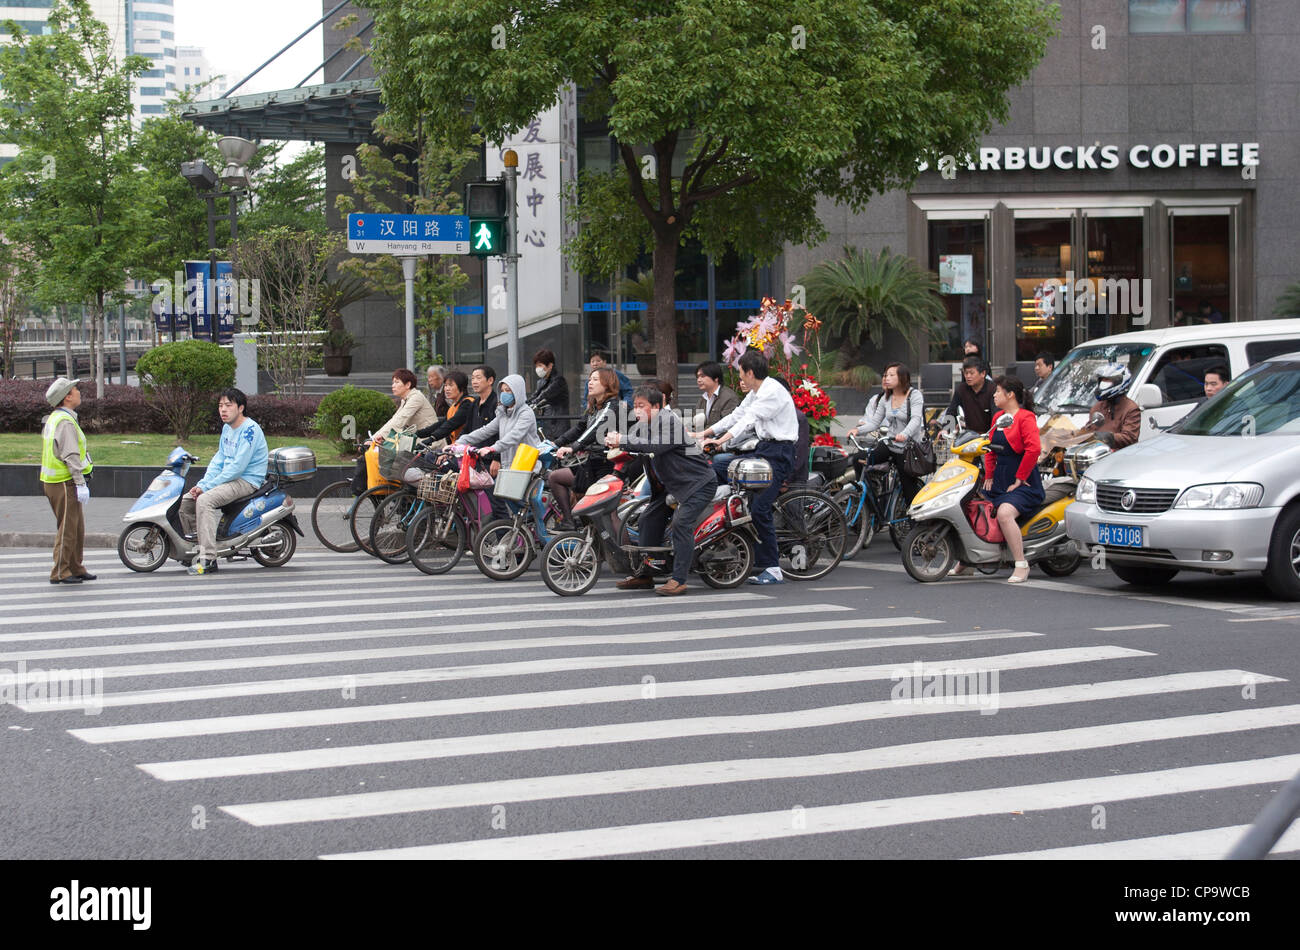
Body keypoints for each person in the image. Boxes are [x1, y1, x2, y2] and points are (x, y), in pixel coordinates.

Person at [698, 350, 800, 585]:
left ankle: (773, 568)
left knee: (760, 508)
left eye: (741, 373)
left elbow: (748, 420)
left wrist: (720, 441)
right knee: (722, 466)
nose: (739, 378)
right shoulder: (757, 391)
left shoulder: (772, 392)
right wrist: (704, 434)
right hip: (764, 449)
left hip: (779, 454)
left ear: (750, 372)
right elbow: (737, 415)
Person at [605, 385, 716, 596]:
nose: (636, 411)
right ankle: (646, 574)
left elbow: (654, 446)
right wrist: (615, 450)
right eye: (635, 406)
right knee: (647, 519)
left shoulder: (670, 422)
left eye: (641, 406)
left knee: (681, 524)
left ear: (657, 406)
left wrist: (623, 440)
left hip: (697, 484)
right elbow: (631, 449)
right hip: (670, 487)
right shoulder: (642, 425)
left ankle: (679, 579)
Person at [180, 388, 269, 576]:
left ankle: (208, 559)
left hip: (246, 480)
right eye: (220, 405)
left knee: (205, 501)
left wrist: (207, 488)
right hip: (230, 478)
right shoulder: (227, 428)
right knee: (188, 500)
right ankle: (198, 547)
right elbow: (219, 459)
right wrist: (203, 484)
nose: (223, 410)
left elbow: (238, 467)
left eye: (228, 405)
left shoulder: (249, 430)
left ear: (241, 408)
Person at [980, 375, 1044, 584]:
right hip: (999, 477)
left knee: (1005, 514)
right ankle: (968, 561)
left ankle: (1021, 564)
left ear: (1010, 395)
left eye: (998, 391)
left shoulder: (1026, 417)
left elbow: (1034, 449)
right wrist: (989, 474)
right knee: (973, 506)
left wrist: (1019, 478)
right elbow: (989, 449)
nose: (995, 394)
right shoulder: (998, 417)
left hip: (1024, 481)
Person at [455, 373, 540, 517]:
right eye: (503, 391)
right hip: (510, 466)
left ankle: (533, 527)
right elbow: (486, 430)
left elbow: (514, 436)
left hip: (526, 465)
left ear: (518, 392)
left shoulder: (526, 413)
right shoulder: (503, 413)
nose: (504, 394)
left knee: (519, 504)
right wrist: (460, 441)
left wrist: (493, 448)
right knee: (507, 500)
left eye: (509, 391)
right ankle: (523, 533)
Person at [548, 367, 621, 528]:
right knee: (555, 477)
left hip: (607, 466)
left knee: (610, 514)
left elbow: (595, 429)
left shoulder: (612, 406)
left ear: (607, 383)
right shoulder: (595, 406)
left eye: (595, 379)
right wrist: (556, 443)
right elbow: (580, 428)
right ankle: (569, 522)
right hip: (592, 463)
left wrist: (573, 448)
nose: (590, 382)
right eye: (590, 379)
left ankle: (625, 552)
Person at [40, 377, 95, 585]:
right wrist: (80, 483)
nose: (79, 391)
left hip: (60, 482)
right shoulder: (64, 422)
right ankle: (60, 571)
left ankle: (76, 567)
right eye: (75, 389)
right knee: (67, 529)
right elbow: (71, 455)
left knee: (77, 527)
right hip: (63, 483)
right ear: (68, 397)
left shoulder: (60, 418)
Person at [846, 362, 925, 501]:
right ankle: (870, 502)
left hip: (907, 449)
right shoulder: (885, 398)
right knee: (859, 459)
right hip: (889, 445)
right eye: (885, 375)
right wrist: (857, 430)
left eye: (891, 375)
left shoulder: (914, 395)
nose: (886, 378)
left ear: (902, 377)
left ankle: (914, 522)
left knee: (909, 492)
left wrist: (904, 434)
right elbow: (875, 423)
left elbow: (916, 420)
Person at [405, 371, 476, 484]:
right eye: (446, 385)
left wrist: (431, 439)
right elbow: (440, 424)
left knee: (434, 460)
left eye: (451, 385)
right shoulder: (454, 405)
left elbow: (450, 425)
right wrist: (418, 434)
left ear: (461, 387)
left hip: (466, 452)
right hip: (455, 449)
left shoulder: (467, 404)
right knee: (427, 456)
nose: (446, 389)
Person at [1076, 362, 1141, 449]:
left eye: (1108, 380)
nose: (1104, 383)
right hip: (1098, 455)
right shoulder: (1097, 407)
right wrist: (1074, 435)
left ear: (1119, 381)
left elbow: (1129, 438)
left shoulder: (1131, 408)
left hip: (1120, 456)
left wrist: (1104, 437)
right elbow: (1089, 430)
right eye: (1102, 380)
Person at [370, 369, 437, 446]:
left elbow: (400, 420)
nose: (393, 385)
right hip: (419, 441)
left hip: (431, 443)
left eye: (397, 382)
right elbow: (394, 419)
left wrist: (376, 438)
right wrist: (374, 437)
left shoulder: (416, 398)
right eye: (393, 382)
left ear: (408, 385)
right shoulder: (405, 400)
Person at [946, 356, 995, 434]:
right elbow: (951, 412)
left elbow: (996, 416)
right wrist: (946, 429)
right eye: (966, 373)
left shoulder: (993, 389)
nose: (968, 376)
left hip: (989, 435)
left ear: (983, 373)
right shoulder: (961, 389)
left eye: (972, 373)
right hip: (967, 435)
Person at [693, 361, 740, 431]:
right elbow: (695, 422)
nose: (698, 380)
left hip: (721, 439)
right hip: (703, 438)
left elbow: (727, 425)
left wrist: (702, 434)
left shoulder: (729, 397)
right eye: (698, 377)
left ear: (716, 378)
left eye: (702, 376)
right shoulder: (703, 398)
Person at [529, 348, 569, 416]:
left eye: (540, 365)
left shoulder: (559, 380)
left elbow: (544, 395)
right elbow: (535, 396)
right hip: (545, 421)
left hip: (557, 422)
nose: (537, 369)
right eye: (536, 366)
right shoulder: (541, 381)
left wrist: (528, 406)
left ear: (550, 365)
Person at [467, 365, 499, 432]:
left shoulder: (497, 403)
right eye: (472, 378)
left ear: (490, 380)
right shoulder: (474, 403)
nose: (474, 382)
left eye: (478, 378)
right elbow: (467, 428)